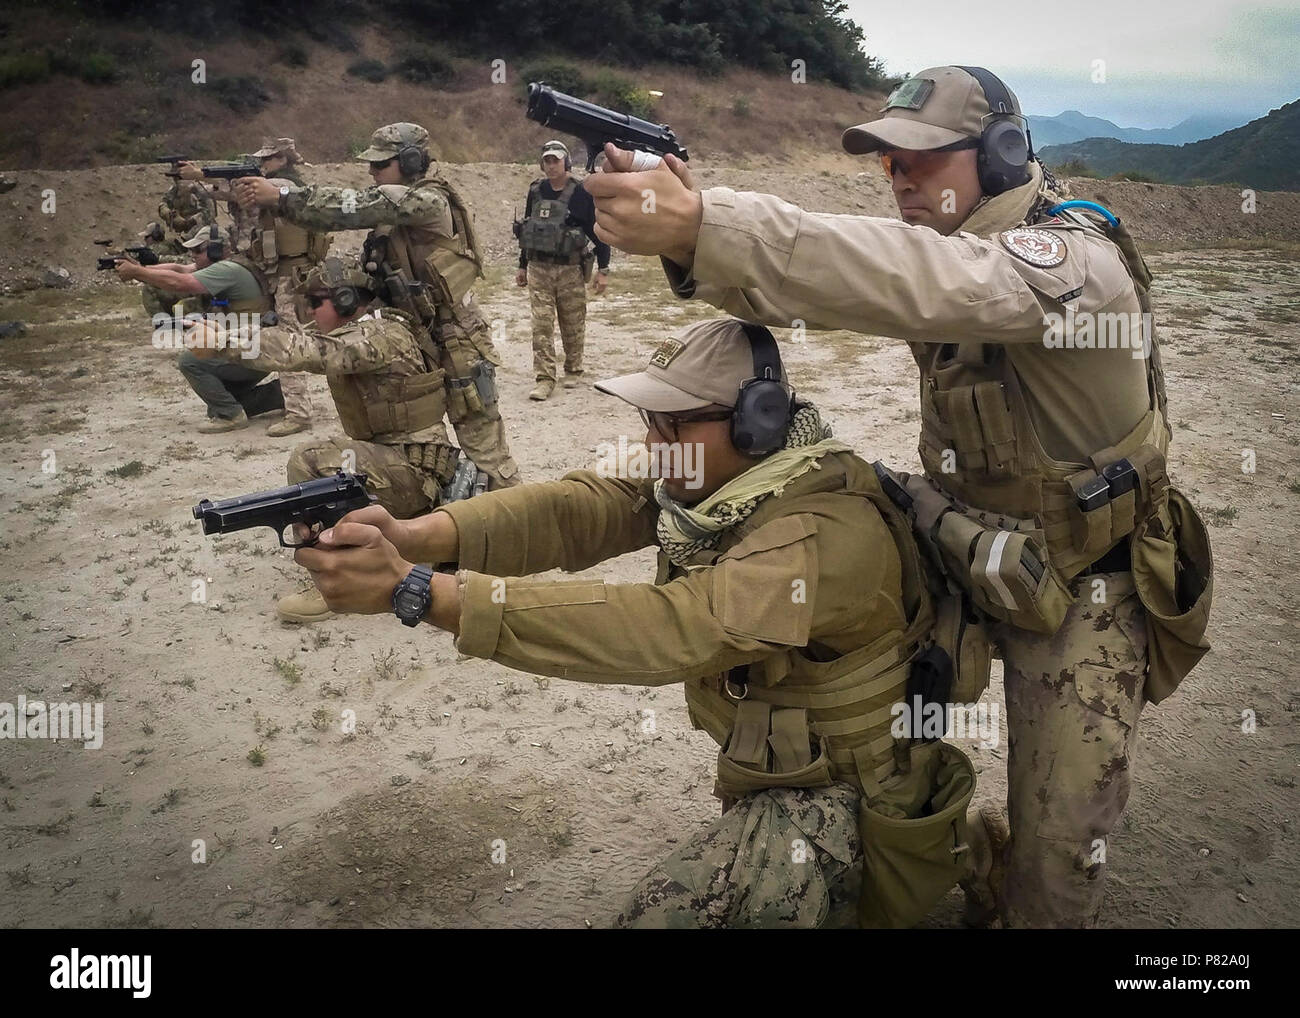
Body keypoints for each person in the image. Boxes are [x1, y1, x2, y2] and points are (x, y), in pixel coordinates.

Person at [582, 65, 1213, 929]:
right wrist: (693, 237)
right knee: (875, 736)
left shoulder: (1076, 264)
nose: (901, 182)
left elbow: (936, 282)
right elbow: (853, 286)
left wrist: (709, 220)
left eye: (920, 161)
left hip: (1084, 583)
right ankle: (925, 848)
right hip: (963, 546)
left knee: (1057, 853)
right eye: (887, 166)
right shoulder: (947, 250)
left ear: (998, 156)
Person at [288, 318, 982, 929]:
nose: (654, 441)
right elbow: (575, 511)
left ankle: (946, 863)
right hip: (794, 773)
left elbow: (670, 629)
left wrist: (419, 593)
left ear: (757, 422)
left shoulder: (825, 531)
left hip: (852, 804)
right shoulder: (728, 482)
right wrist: (416, 536)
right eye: (653, 421)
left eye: (673, 423)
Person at [234, 122, 521, 489]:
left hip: (455, 341)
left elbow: (354, 207)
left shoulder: (428, 201)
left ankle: (516, 520)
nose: (372, 171)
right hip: (416, 339)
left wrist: (284, 197)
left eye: (381, 164)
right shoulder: (393, 218)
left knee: (486, 453)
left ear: (411, 161)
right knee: (420, 446)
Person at [195, 255, 478, 623]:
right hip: (406, 465)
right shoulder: (378, 329)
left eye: (316, 301)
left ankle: (338, 577)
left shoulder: (378, 335)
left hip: (416, 474)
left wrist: (224, 341)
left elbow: (306, 351)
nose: (310, 311)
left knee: (310, 460)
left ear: (345, 300)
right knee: (333, 461)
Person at [179, 139, 328, 437]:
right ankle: (284, 401)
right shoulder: (272, 184)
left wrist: (201, 173)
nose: (263, 165)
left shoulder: (286, 183)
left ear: (282, 159)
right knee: (281, 338)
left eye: (268, 160)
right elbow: (233, 193)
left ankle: (300, 414)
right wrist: (202, 184)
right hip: (277, 273)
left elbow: (262, 191)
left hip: (290, 275)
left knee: (290, 342)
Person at [119, 222, 283, 432]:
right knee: (216, 405)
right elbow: (180, 269)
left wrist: (137, 273)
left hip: (254, 349)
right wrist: (138, 269)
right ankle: (277, 395)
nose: (193, 255)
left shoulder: (227, 270)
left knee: (191, 361)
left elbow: (181, 282)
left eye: (198, 250)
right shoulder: (232, 264)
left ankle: (232, 416)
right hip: (259, 346)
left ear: (216, 250)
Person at [515, 140, 611, 400]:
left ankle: (573, 368)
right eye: (547, 160)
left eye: (556, 160)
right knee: (541, 325)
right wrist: (522, 266)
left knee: (572, 322)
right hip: (539, 267)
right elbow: (528, 230)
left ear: (566, 161)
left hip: (570, 269)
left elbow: (598, 230)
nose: (551, 165)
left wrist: (603, 269)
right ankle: (545, 378)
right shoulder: (536, 191)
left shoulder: (581, 192)